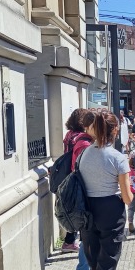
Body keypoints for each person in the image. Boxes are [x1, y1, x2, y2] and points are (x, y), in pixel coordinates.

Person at [78, 109, 133, 270]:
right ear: (114, 131)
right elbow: (128, 197)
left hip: (87, 212)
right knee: (107, 267)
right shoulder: (118, 158)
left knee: (94, 262)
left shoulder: (84, 154)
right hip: (111, 210)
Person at [59, 108, 92, 255]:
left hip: (66, 175)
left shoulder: (69, 134)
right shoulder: (81, 139)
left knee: (71, 209)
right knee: (79, 211)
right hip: (75, 175)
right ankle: (70, 242)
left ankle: (69, 241)